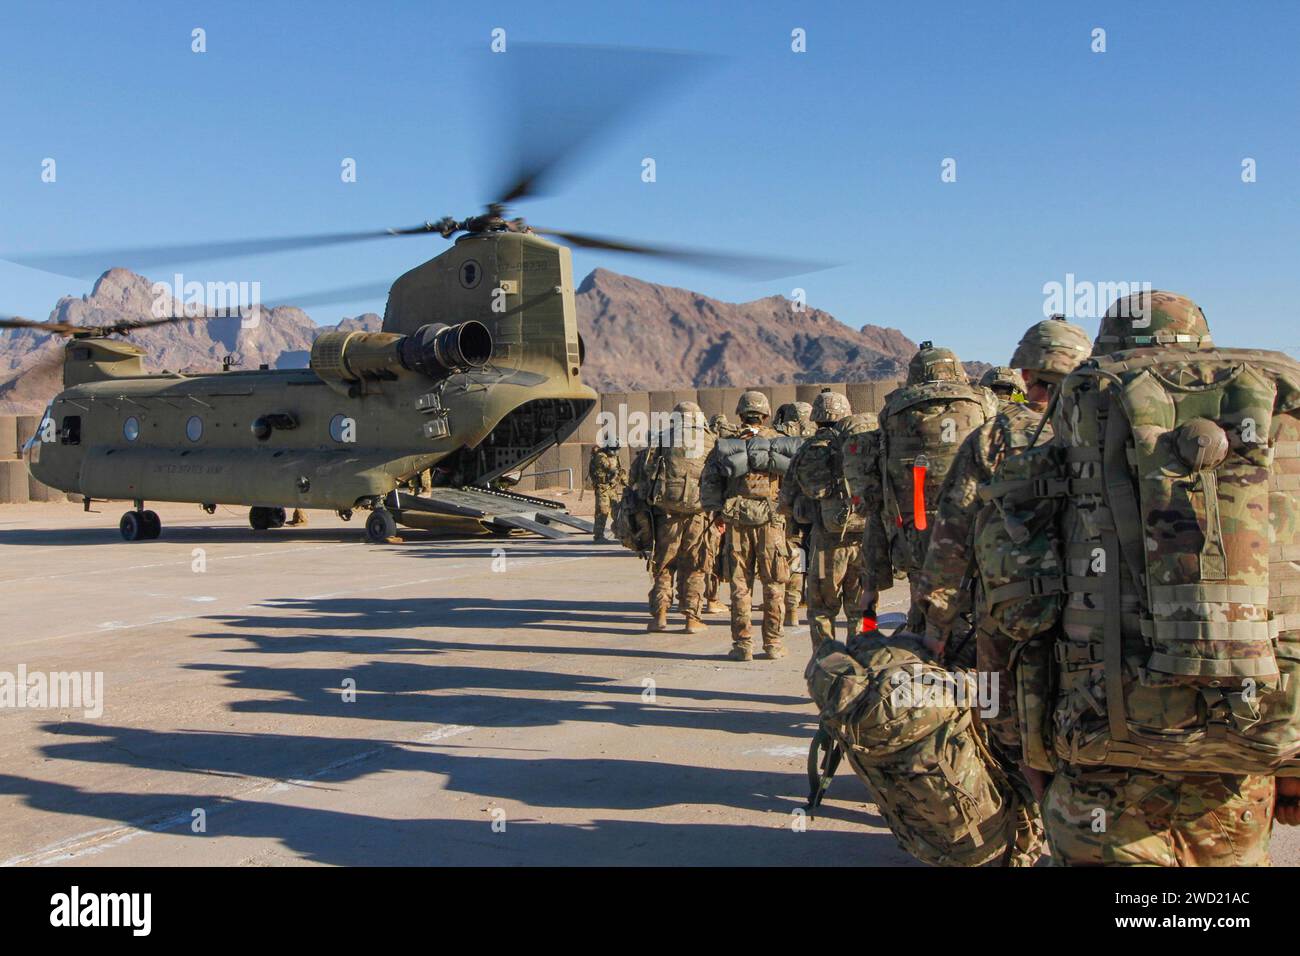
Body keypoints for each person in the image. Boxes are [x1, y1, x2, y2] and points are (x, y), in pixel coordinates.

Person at [979, 291, 1300, 865]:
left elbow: (1021, 615)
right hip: (1243, 758)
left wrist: (1032, 756)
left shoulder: (1056, 460)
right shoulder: (1272, 457)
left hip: (1103, 748)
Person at [913, 315, 1091, 866]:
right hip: (1101, 626)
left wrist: (936, 626)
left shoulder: (997, 436)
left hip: (1011, 623)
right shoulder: (1116, 430)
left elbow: (951, 537)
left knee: (1006, 731)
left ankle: (1023, 836)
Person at [861, 343, 997, 630]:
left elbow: (881, 476)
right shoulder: (982, 401)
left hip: (915, 530)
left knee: (922, 603)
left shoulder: (892, 411)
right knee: (977, 604)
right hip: (971, 523)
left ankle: (926, 655)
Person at [701, 390, 791, 661]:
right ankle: (773, 644)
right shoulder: (779, 443)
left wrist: (715, 515)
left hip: (737, 521)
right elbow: (795, 479)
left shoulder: (727, 444)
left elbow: (709, 482)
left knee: (740, 586)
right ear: (765, 414)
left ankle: (743, 645)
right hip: (771, 520)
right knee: (774, 584)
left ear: (740, 414)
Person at [779, 389, 870, 648]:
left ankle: (826, 665)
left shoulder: (809, 448)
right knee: (860, 609)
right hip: (864, 539)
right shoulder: (862, 445)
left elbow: (787, 498)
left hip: (826, 540)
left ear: (816, 418)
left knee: (821, 609)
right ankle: (860, 661)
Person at [639, 401, 715, 634]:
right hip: (699, 513)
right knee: (695, 565)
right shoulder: (711, 439)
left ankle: (659, 616)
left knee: (663, 565)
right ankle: (692, 618)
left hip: (666, 514)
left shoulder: (661, 438)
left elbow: (644, 473)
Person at [774, 401, 818, 624]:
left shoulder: (781, 436)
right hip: (817, 503)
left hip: (793, 505)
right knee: (814, 550)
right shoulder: (820, 434)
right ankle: (811, 596)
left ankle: (792, 606)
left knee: (795, 552)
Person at [586, 440, 626, 543]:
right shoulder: (600, 456)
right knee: (602, 511)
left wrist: (626, 483)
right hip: (602, 488)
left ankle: (619, 533)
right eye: (614, 450)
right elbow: (610, 468)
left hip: (612, 488)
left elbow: (620, 471)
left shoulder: (616, 457)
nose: (616, 452)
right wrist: (616, 472)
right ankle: (598, 536)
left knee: (617, 511)